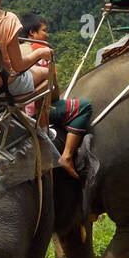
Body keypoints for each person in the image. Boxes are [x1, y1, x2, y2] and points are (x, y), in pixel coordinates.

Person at [18, 15, 93, 179]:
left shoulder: (16, 51)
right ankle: (66, 156)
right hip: (37, 112)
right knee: (85, 106)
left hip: (18, 111)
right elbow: (53, 93)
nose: (47, 35)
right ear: (32, 32)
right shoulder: (42, 51)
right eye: (44, 31)